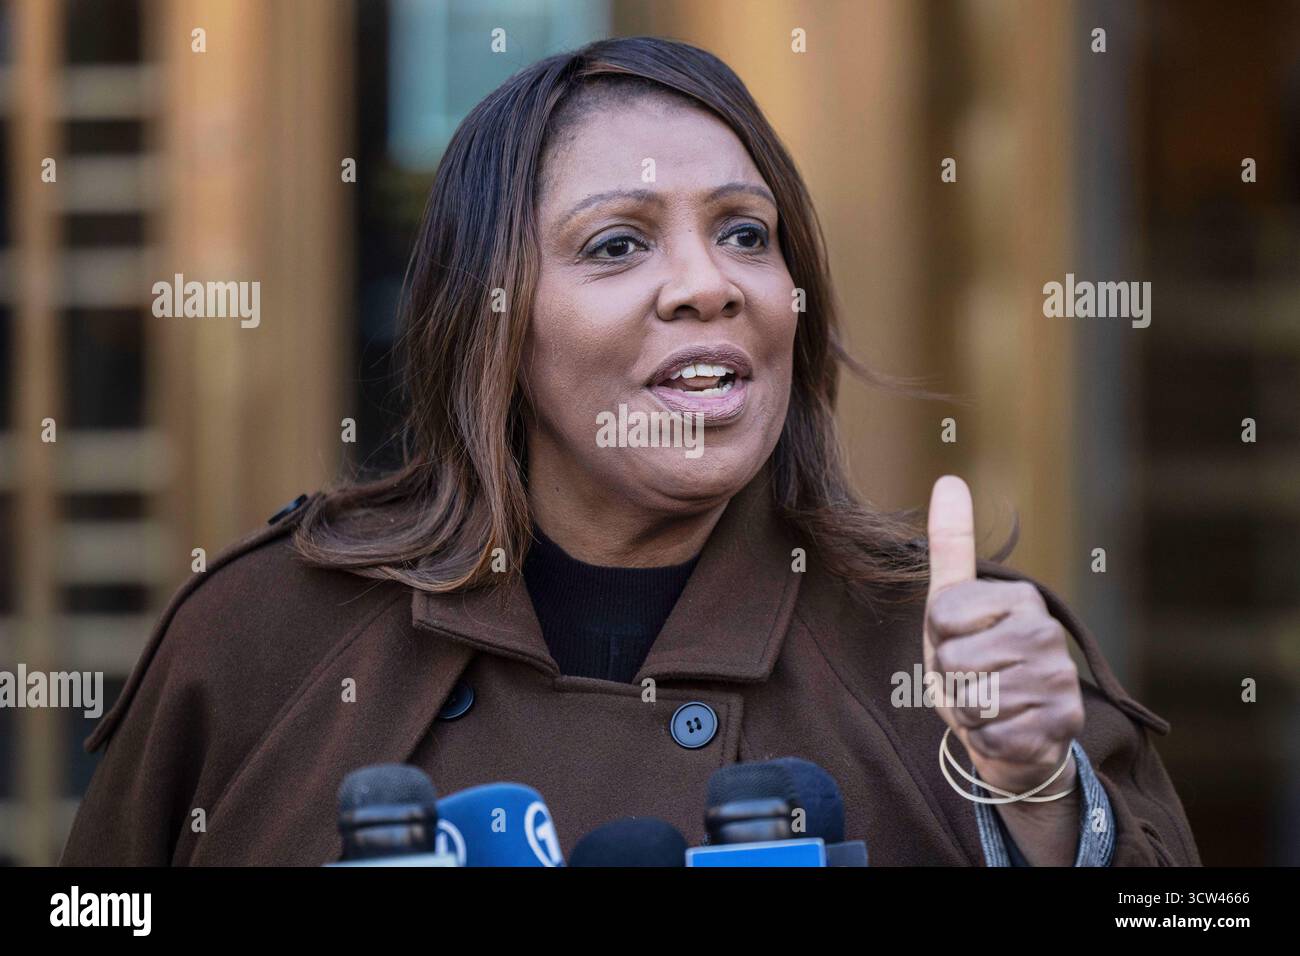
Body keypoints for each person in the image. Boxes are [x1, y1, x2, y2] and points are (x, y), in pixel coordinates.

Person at [61, 36, 1198, 867]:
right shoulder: (265, 640)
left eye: (746, 234)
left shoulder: (963, 659)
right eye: (617, 244)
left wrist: (1038, 797)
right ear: (493, 321)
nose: (710, 283)